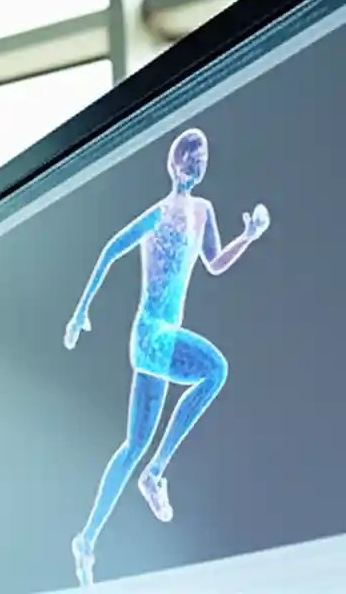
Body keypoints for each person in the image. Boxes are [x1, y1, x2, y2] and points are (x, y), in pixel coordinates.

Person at [62, 127, 269, 587]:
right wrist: (80, 313)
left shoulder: (204, 212)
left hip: (160, 338)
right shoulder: (158, 215)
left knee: (133, 443)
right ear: (174, 165)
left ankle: (87, 538)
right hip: (151, 334)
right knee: (215, 369)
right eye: (190, 160)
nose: (197, 168)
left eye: (203, 161)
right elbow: (109, 252)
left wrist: (248, 237)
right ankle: (155, 474)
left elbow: (214, 263)